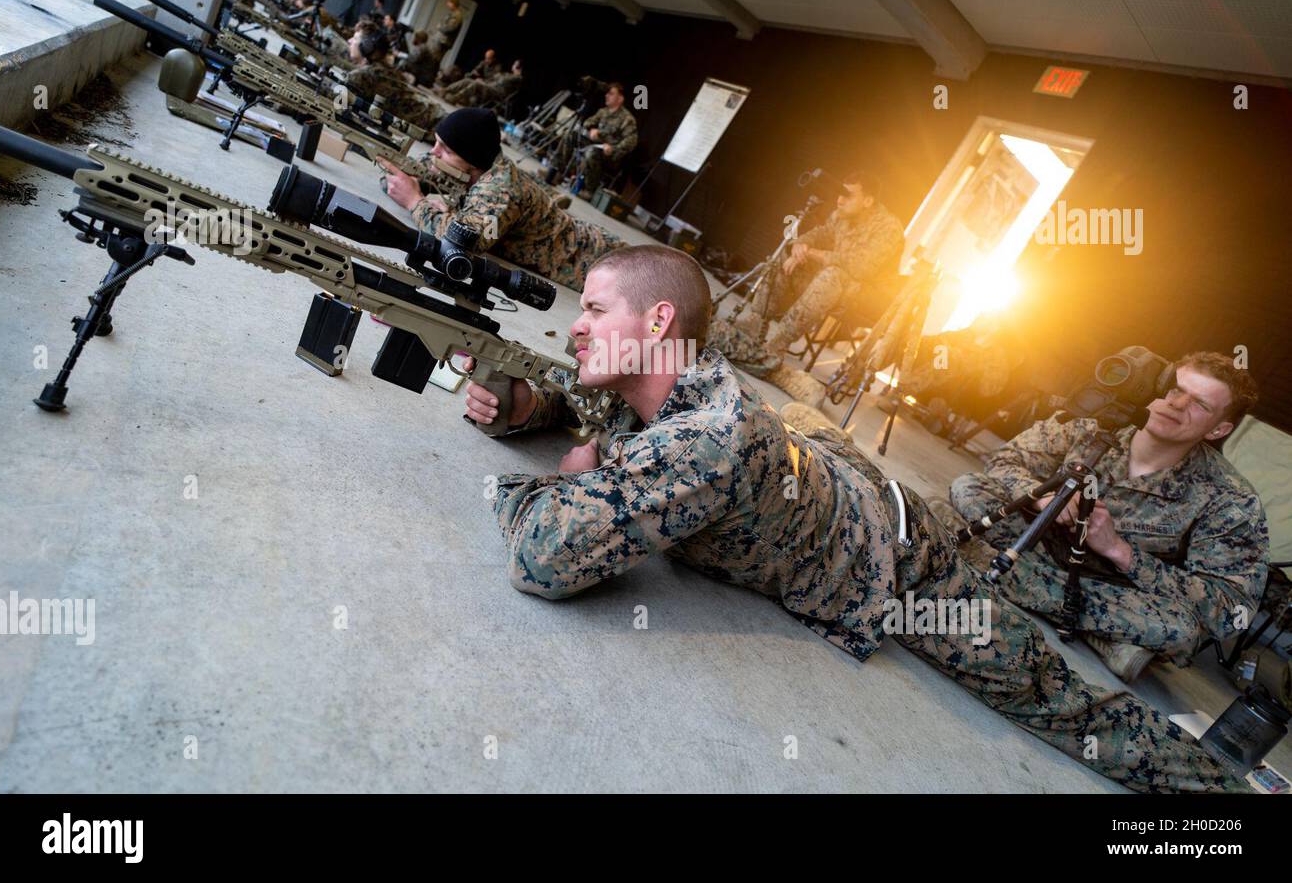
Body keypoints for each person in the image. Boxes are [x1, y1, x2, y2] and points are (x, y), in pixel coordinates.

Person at [458, 244, 1245, 793]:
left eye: (594, 309)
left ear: (659, 324)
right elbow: (589, 394)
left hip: (903, 562)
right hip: (831, 466)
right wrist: (525, 405)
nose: (576, 325)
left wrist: (539, 487)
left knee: (1051, 695)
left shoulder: (703, 441)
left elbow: (544, 561)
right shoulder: (670, 373)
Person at [940, 351, 1269, 682]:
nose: (1177, 404)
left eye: (1201, 404)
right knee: (970, 488)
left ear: (1218, 429)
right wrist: (1044, 498)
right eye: (1173, 388)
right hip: (1041, 542)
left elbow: (1229, 609)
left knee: (1180, 629)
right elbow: (1005, 460)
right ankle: (1101, 634)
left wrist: (1120, 551)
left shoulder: (1230, 498)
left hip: (1107, 585)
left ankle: (981, 560)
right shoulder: (1095, 420)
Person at [708, 171, 904, 405]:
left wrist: (811, 254)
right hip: (833, 283)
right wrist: (801, 245)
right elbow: (822, 233)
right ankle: (756, 320)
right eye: (840, 193)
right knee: (785, 257)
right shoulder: (842, 215)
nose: (840, 200)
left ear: (868, 200)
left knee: (832, 275)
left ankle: (779, 343)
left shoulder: (889, 228)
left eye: (848, 195)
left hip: (863, 296)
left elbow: (860, 267)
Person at [382, 108, 623, 290]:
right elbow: (404, 174)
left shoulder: (500, 188)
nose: (434, 152)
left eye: (445, 149)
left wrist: (415, 201)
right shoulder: (469, 166)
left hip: (596, 260)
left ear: (471, 158)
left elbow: (460, 243)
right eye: (436, 143)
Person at [346, 29, 442, 133]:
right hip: (434, 114)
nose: (349, 41)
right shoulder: (379, 68)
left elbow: (339, 94)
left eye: (355, 38)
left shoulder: (365, 75)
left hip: (435, 123)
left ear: (367, 46)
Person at [550, 82, 637, 196]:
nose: (607, 96)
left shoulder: (627, 119)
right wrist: (592, 129)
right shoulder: (603, 112)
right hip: (594, 144)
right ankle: (557, 172)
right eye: (607, 93)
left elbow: (632, 140)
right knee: (570, 135)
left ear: (620, 98)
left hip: (610, 154)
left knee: (591, 152)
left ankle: (588, 190)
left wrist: (614, 148)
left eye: (611, 94)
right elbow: (588, 122)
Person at [442, 60, 522, 108]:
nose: (513, 65)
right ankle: (446, 90)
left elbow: (501, 81)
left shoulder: (518, 78)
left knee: (476, 84)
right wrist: (483, 80)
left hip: (498, 93)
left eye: (515, 64)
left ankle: (455, 98)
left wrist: (485, 82)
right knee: (468, 80)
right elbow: (494, 79)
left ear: (518, 67)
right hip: (490, 87)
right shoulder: (508, 74)